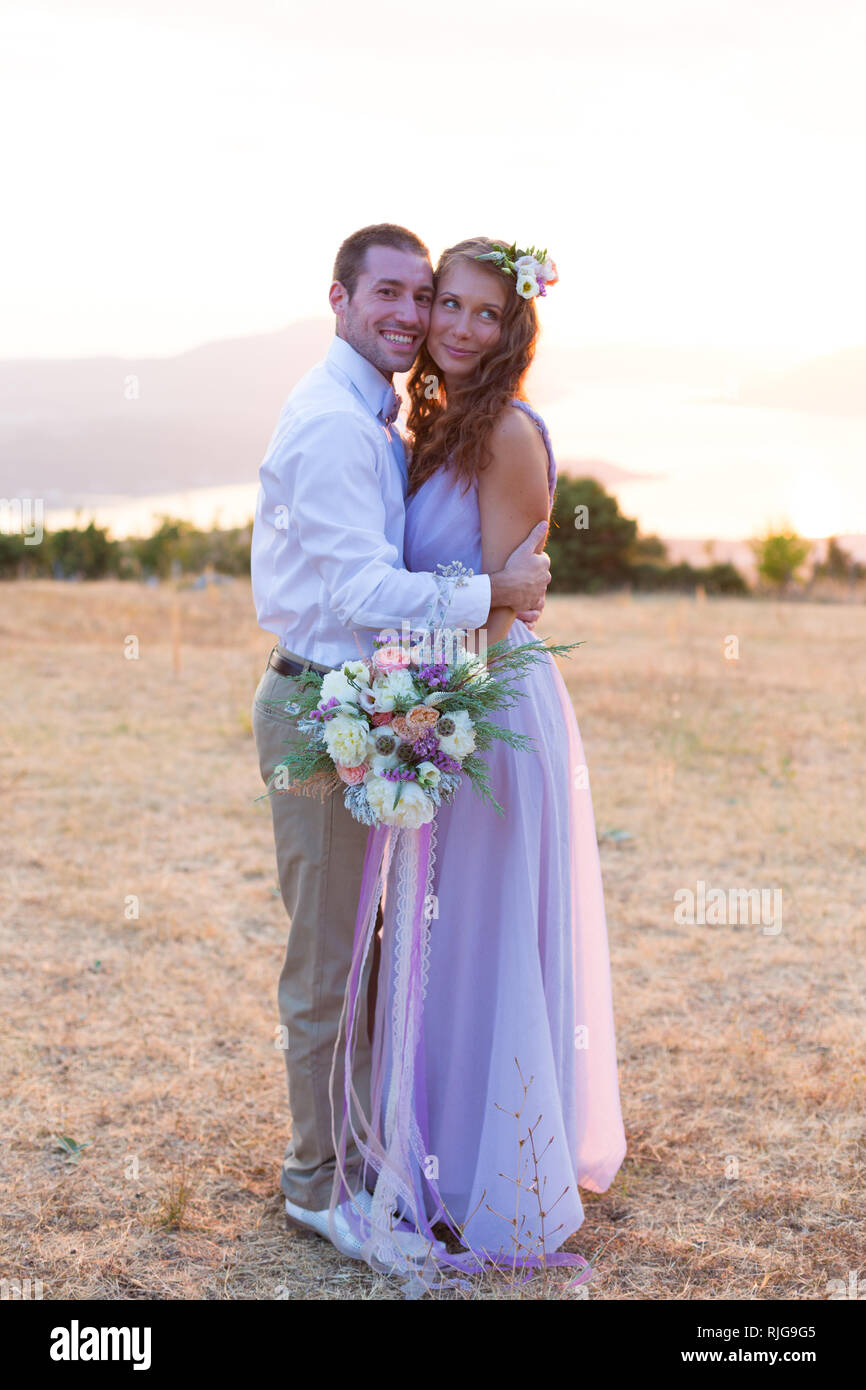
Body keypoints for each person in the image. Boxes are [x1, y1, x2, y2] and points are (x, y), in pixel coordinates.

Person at [250, 224, 552, 1259]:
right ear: (337, 298)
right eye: (396, 293)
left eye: (428, 297)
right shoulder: (339, 425)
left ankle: (376, 1145)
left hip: (383, 705)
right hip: (324, 705)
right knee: (331, 958)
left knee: (386, 947)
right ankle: (316, 1183)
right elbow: (366, 591)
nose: (417, 317)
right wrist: (493, 590)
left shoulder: (390, 416)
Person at [332, 237, 627, 1285]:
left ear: (514, 329)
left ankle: (489, 1174)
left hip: (488, 711)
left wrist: (429, 715)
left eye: (481, 314)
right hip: (442, 703)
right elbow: (480, 588)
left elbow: (508, 609)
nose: (455, 327)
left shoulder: (502, 432)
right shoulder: (436, 425)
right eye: (445, 305)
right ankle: (428, 1152)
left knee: (479, 937)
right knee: (433, 935)